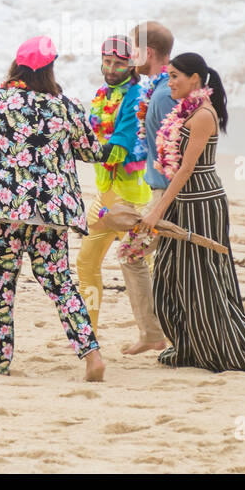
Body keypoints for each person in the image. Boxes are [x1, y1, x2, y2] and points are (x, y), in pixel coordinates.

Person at [0, 36, 106, 381]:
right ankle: (92, 355)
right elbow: (92, 153)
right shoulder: (67, 106)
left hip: (6, 211)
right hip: (52, 213)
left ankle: (0, 363)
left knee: (1, 285)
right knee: (60, 285)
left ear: (17, 66)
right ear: (50, 68)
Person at [140, 53, 245, 375]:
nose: (170, 82)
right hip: (183, 200)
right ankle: (189, 347)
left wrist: (157, 211)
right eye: (169, 75)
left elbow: (186, 169)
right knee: (168, 278)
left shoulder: (203, 114)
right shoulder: (183, 111)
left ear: (196, 80)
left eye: (175, 76)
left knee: (203, 283)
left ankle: (226, 353)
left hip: (202, 204)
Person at [75, 35, 152, 337]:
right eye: (106, 62)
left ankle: (161, 334)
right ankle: (88, 334)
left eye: (118, 63)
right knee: (86, 264)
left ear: (131, 64)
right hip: (104, 198)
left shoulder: (136, 98)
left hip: (132, 202)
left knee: (145, 272)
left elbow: (118, 149)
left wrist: (77, 149)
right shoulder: (102, 94)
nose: (110, 68)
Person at [116, 21, 175, 355]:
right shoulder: (160, 88)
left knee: (130, 254)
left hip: (165, 195)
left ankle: (153, 333)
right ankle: (154, 333)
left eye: (134, 49)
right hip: (162, 193)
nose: (129, 55)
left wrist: (160, 206)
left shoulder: (165, 94)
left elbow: (174, 157)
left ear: (148, 53)